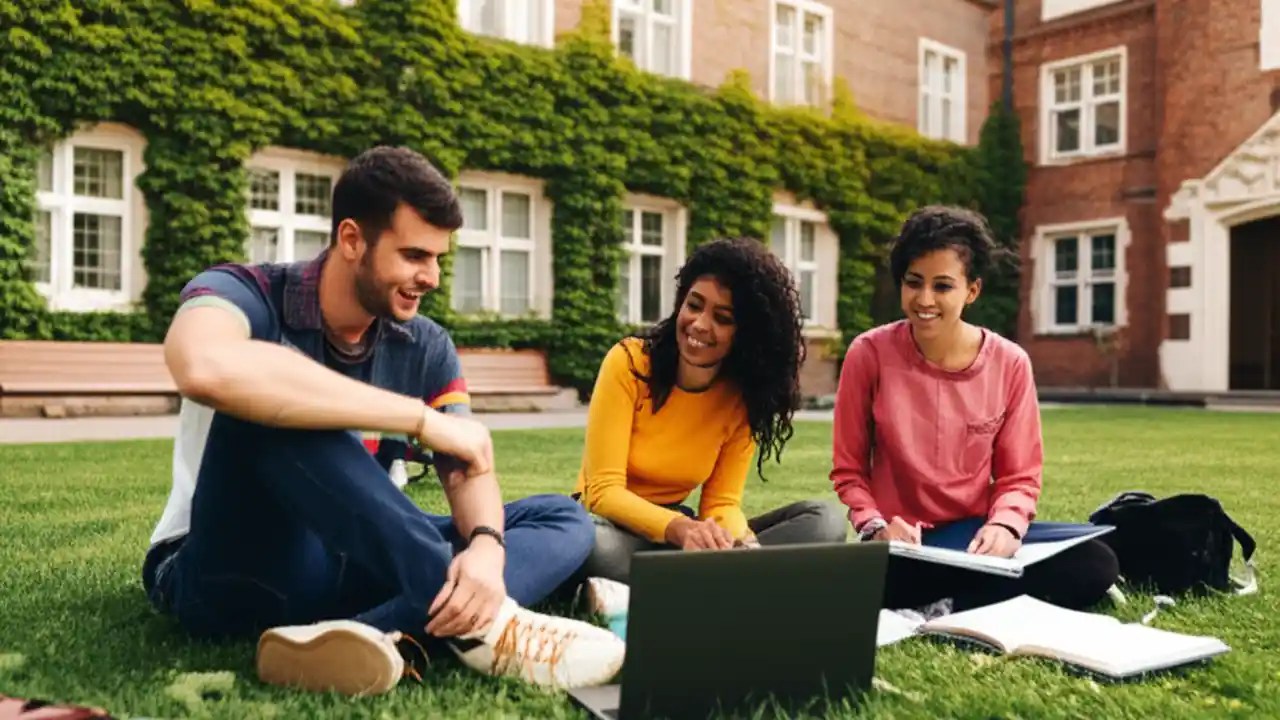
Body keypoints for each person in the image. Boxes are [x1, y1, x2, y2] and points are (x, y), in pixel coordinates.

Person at [140, 146, 624, 696]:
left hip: (357, 555)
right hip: (236, 561)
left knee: (562, 519)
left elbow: (467, 461)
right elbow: (203, 366)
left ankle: (372, 635)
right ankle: (482, 620)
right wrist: (416, 419)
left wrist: (487, 550)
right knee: (281, 398)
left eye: (439, 258)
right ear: (351, 240)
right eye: (415, 255)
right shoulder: (244, 293)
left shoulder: (424, 343)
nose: (432, 277)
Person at [830, 205, 1119, 612]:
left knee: (1096, 563)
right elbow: (849, 471)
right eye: (914, 282)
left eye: (943, 286)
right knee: (859, 584)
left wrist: (1004, 525)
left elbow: (1020, 476)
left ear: (972, 290)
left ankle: (948, 602)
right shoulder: (869, 354)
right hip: (901, 545)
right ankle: (969, 600)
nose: (924, 299)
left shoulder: (1010, 363)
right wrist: (875, 525)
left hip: (973, 536)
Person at [574, 236, 849, 588]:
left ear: (745, 334)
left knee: (823, 520)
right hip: (610, 527)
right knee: (589, 544)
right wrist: (679, 530)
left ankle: (716, 571)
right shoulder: (629, 362)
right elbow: (603, 492)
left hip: (681, 535)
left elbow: (721, 503)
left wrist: (741, 543)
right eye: (694, 305)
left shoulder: (741, 398)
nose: (700, 325)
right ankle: (719, 577)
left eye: (722, 318)